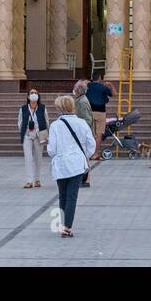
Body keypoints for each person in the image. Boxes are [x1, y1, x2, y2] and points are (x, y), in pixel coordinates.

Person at [47, 94, 95, 238]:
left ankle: (63, 224)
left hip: (61, 165)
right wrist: (82, 154)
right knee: (72, 196)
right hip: (76, 164)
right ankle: (67, 227)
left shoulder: (55, 125)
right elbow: (91, 144)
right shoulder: (82, 123)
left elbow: (52, 150)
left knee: (62, 196)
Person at [19, 89, 48, 187]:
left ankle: (37, 179)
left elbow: (46, 121)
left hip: (39, 134)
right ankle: (29, 181)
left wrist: (46, 134)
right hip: (27, 134)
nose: (33, 94)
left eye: (35, 93)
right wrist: (23, 131)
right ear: (28, 96)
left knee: (38, 158)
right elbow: (20, 122)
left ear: (38, 96)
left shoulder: (42, 108)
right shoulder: (23, 108)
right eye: (31, 93)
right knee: (28, 157)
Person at [71, 80, 95, 184]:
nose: (74, 89)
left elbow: (87, 119)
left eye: (75, 88)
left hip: (82, 135)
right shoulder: (79, 100)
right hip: (81, 133)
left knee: (85, 158)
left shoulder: (82, 102)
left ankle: (86, 179)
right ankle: (83, 178)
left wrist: (81, 131)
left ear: (78, 90)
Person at [85, 78, 113, 153]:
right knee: (98, 135)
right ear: (100, 78)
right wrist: (111, 85)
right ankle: (95, 154)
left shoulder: (87, 86)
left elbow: (76, 92)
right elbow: (114, 94)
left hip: (89, 113)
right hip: (101, 113)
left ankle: (88, 154)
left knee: (89, 134)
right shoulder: (102, 87)